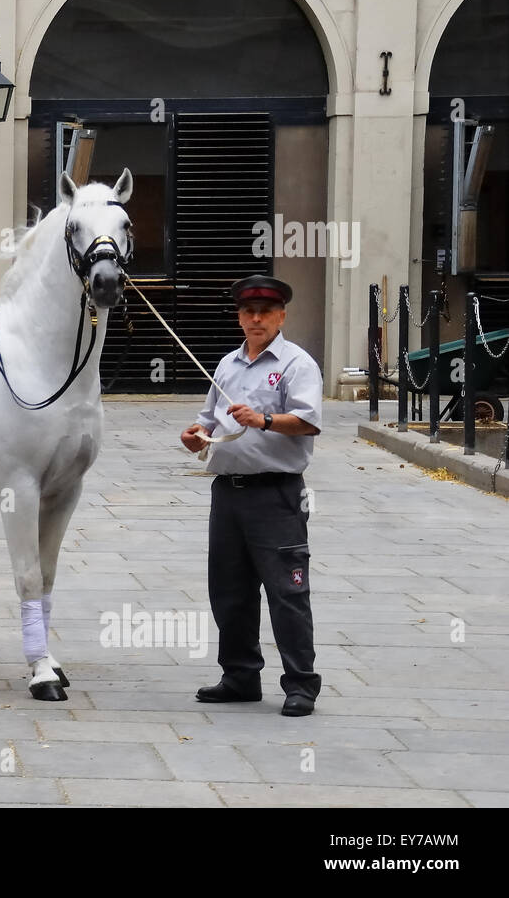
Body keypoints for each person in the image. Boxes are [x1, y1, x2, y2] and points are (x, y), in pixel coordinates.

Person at [180, 275, 323, 716]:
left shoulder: (298, 364)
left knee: (287, 591)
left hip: (275, 494)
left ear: (282, 315)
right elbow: (208, 419)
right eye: (248, 312)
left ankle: (300, 683)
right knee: (229, 590)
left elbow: (308, 421)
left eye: (265, 311)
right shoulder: (228, 364)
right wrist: (196, 436)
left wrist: (263, 419)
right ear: (240, 317)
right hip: (228, 492)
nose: (256, 319)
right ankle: (240, 675)